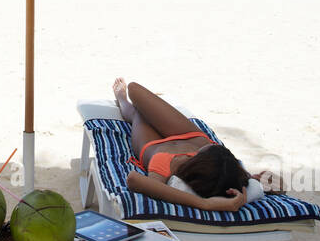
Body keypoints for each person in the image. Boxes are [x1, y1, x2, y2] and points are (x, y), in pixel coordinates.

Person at [113, 78, 283, 211]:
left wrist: (205, 204)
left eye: (205, 150)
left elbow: (134, 180)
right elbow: (277, 186)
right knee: (135, 90)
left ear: (199, 162)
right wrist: (270, 181)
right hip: (190, 136)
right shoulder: (226, 169)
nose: (213, 143)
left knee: (136, 113)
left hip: (154, 145)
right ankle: (132, 103)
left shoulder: (165, 166)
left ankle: (121, 100)